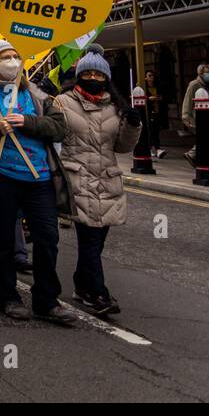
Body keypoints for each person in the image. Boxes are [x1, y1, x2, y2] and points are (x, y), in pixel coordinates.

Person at [0, 39, 74, 325]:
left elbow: (60, 128)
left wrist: (29, 122)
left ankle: (46, 299)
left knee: (48, 237)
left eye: (16, 56)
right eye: (6, 57)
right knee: (3, 239)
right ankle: (8, 296)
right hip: (2, 177)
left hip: (39, 177)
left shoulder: (37, 95)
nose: (12, 61)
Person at [56, 51, 141, 317]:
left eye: (99, 74)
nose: (93, 78)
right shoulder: (63, 102)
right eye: (88, 74)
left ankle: (82, 285)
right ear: (79, 76)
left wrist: (132, 126)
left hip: (107, 180)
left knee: (98, 239)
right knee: (90, 238)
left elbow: (123, 147)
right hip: (78, 179)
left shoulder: (114, 105)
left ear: (106, 77)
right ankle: (98, 293)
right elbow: (55, 140)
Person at [180, 62, 209, 133]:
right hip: (197, 118)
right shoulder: (194, 85)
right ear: (201, 74)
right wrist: (185, 117)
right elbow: (187, 101)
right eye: (207, 72)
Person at [143, 68, 167, 159]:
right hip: (149, 112)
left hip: (157, 111)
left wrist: (160, 98)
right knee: (152, 130)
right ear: (145, 78)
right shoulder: (144, 88)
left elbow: (164, 97)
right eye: (149, 76)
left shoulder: (158, 87)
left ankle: (152, 148)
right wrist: (149, 99)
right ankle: (157, 149)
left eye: (152, 75)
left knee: (156, 130)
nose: (151, 77)